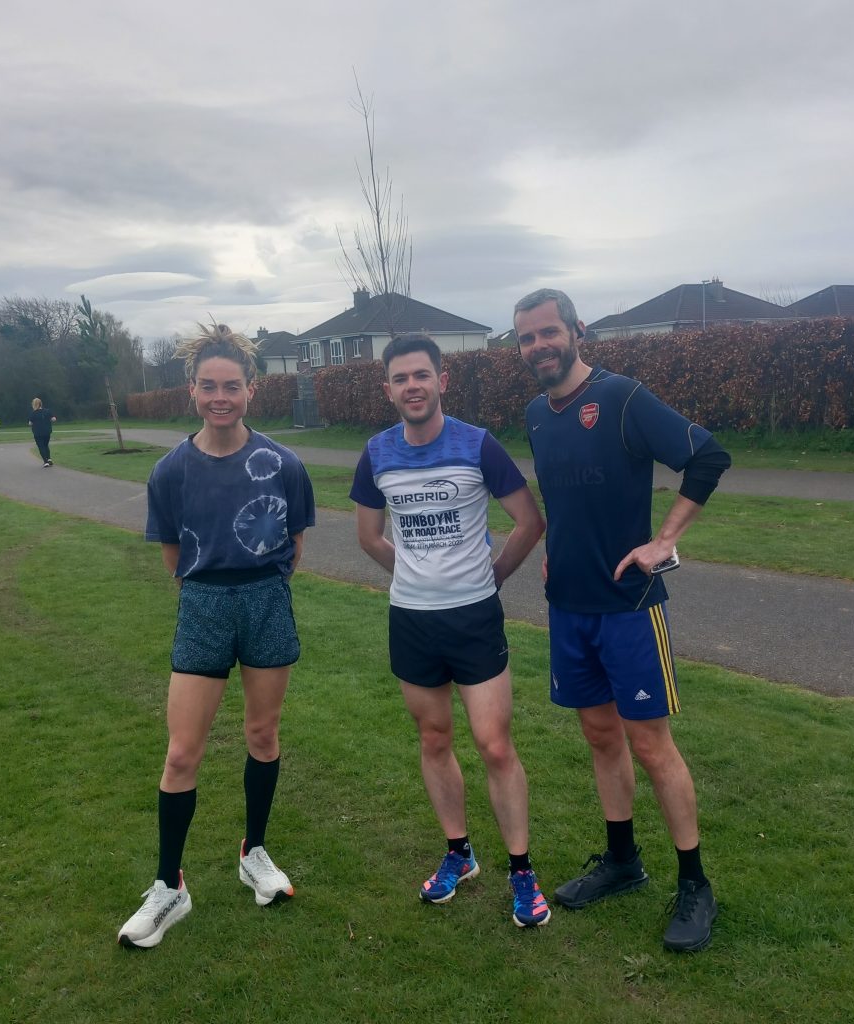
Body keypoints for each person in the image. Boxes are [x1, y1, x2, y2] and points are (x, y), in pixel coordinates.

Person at [513, 288, 731, 952]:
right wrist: (555, 553)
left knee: (651, 745)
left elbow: (707, 456)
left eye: (548, 332)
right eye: (526, 338)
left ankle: (695, 884)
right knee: (600, 737)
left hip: (630, 608)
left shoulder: (623, 397)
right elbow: (564, 497)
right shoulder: (536, 414)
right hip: (568, 607)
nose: (539, 346)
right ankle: (622, 861)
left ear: (577, 330)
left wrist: (663, 541)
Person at [118, 322, 315, 949]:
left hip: (266, 603)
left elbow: (293, 546)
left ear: (252, 389)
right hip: (202, 605)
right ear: (192, 390)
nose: (220, 397)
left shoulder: (284, 464)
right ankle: (168, 886)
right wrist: (214, 591)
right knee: (182, 753)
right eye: (209, 386)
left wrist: (257, 589)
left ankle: (254, 852)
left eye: (232, 386)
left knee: (263, 734)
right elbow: (173, 558)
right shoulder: (171, 471)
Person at [350, 332, 551, 928]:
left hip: (473, 618)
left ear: (442, 380)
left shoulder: (477, 444)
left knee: (494, 744)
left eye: (421, 375)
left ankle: (522, 871)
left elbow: (529, 521)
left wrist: (492, 575)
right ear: (387, 389)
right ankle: (459, 854)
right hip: (412, 621)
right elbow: (368, 537)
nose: (412, 386)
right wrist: (416, 577)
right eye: (400, 378)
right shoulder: (376, 452)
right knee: (434, 739)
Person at [28, 398, 57, 466]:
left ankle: (45, 461)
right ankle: (49, 459)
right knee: (46, 445)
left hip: (38, 433)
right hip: (47, 432)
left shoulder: (33, 413)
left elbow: (30, 423)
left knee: (41, 446)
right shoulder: (47, 411)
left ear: (34, 405)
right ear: (41, 403)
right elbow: (54, 419)